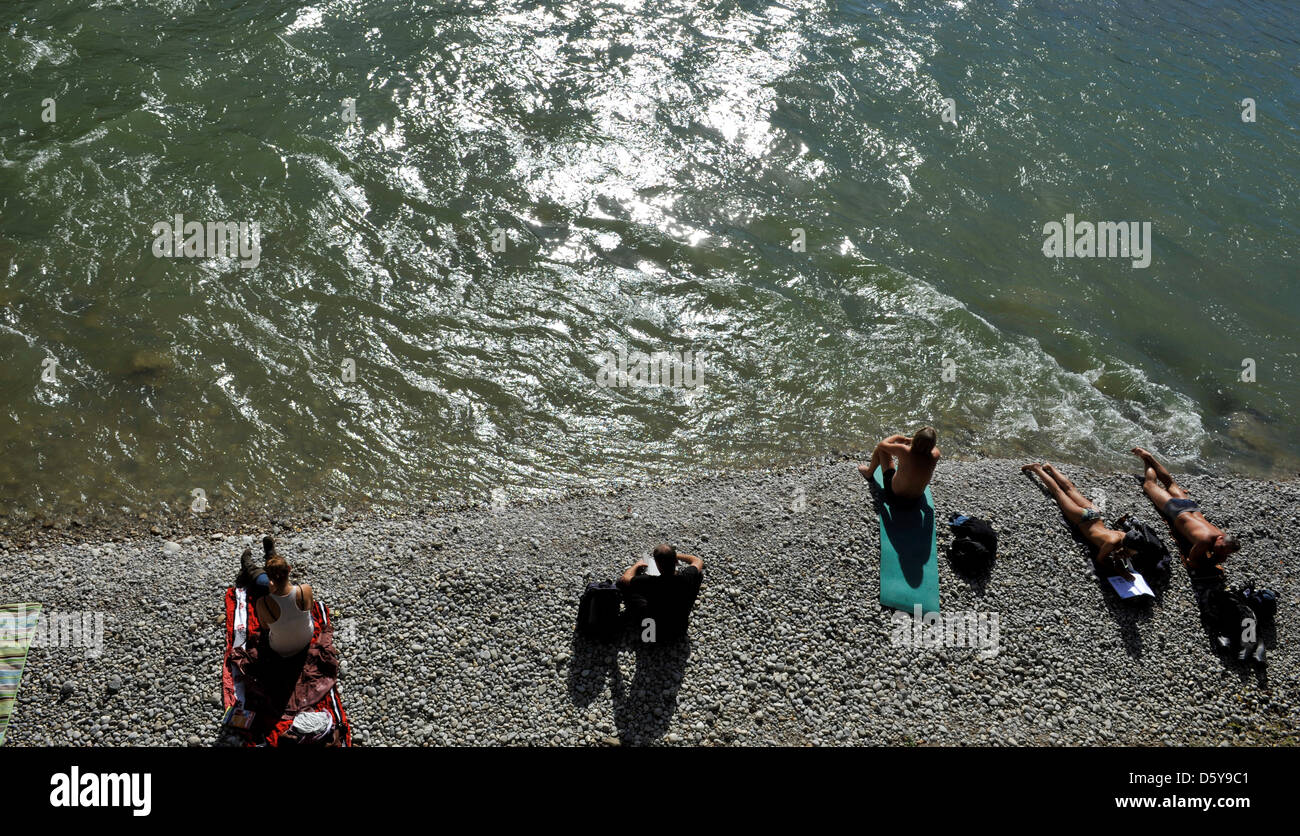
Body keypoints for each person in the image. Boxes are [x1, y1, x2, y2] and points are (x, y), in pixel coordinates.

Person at [1022, 463, 1135, 580]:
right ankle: (1037, 469)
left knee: (1070, 489)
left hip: (1095, 514)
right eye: (1131, 552)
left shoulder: (1124, 536)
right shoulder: (1111, 543)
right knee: (1057, 492)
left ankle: (1050, 468)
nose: (1132, 554)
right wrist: (1122, 572)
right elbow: (1100, 560)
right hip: (1082, 518)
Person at [1131, 447, 1240, 568]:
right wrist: (1213, 560)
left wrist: (1221, 553)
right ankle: (1146, 458)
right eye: (1221, 547)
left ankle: (1150, 457)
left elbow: (1221, 551)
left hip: (1191, 507)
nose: (1220, 550)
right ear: (1221, 538)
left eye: (1225, 551)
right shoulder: (1205, 541)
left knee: (1170, 483)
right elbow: (1191, 561)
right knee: (1149, 485)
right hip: (1176, 510)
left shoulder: (1221, 535)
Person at [617, 545, 703, 644]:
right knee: (698, 575)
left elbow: (625, 578)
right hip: (678, 631)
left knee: (623, 584)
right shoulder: (686, 577)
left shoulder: (649, 582)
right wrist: (674, 556)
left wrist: (637, 565)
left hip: (650, 634)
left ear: (657, 565)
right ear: (675, 562)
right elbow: (697, 561)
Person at [248, 538, 315, 657]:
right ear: (289, 569)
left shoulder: (263, 603)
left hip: (280, 649)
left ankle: (250, 566)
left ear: (270, 578)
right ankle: (271, 556)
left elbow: (265, 627)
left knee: (260, 582)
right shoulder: (305, 589)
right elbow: (311, 608)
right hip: (306, 640)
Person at [859, 426, 940, 504]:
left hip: (895, 497)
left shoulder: (904, 450)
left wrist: (899, 437)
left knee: (881, 449)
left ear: (916, 439)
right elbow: (928, 446)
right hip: (916, 500)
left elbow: (881, 444)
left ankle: (869, 473)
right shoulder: (936, 455)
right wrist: (917, 441)